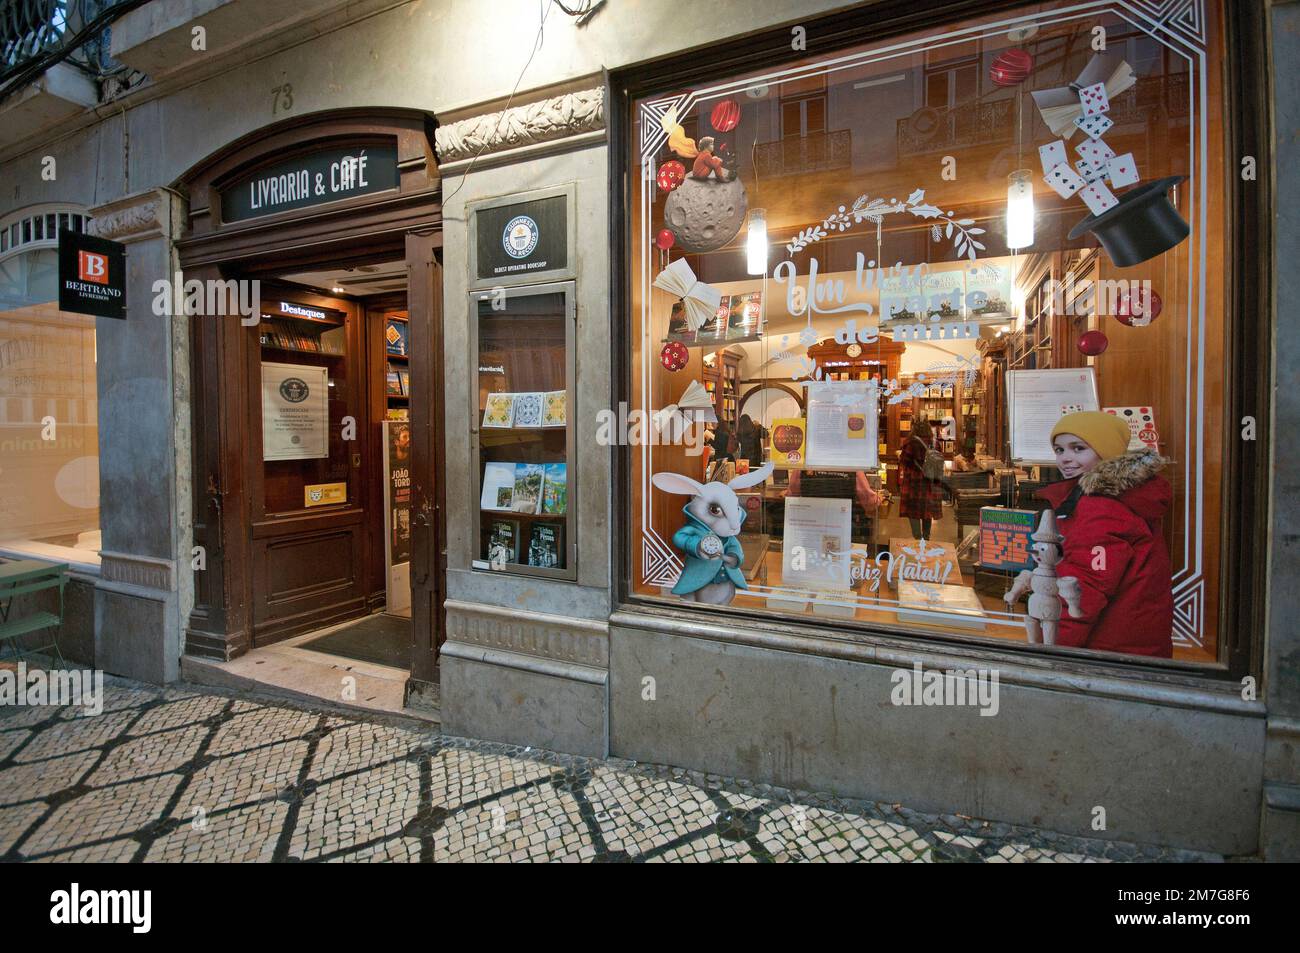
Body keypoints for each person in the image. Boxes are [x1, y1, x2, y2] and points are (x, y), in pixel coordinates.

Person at [1035, 411, 1174, 657]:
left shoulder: (1100, 508)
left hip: (1107, 654)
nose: (1065, 458)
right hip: (1133, 645)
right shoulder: (1128, 496)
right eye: (1059, 450)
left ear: (1106, 452)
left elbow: (1082, 593)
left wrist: (1050, 650)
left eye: (1078, 449)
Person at [898, 419, 943, 539]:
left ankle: (917, 538)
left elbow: (904, 461)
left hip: (914, 482)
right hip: (930, 482)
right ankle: (926, 536)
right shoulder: (935, 442)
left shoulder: (910, 443)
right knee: (927, 511)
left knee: (913, 511)